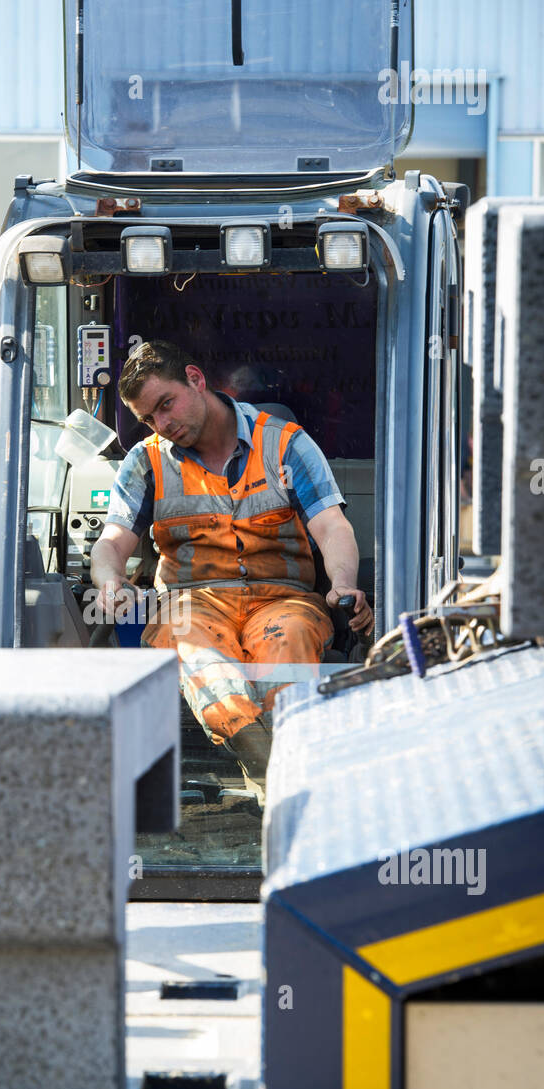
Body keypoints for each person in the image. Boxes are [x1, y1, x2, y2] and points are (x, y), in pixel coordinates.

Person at [90, 340, 373, 803]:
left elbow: (331, 526)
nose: (162, 424)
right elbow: (110, 544)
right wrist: (109, 580)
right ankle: (279, 780)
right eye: (149, 418)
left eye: (166, 404)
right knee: (193, 643)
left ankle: (273, 777)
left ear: (196, 380)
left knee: (293, 636)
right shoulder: (145, 461)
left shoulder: (286, 444)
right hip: (193, 602)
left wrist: (343, 584)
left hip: (282, 600)